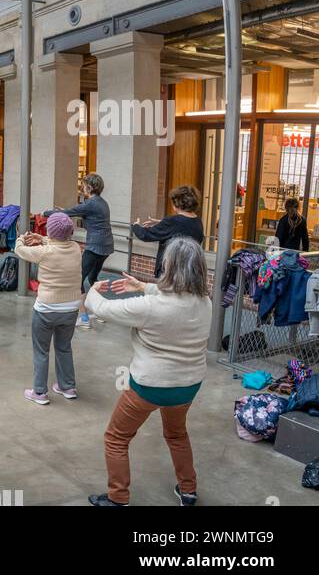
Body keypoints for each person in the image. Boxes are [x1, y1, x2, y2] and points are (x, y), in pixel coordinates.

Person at [85, 237, 211, 507]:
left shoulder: (149, 308)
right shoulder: (205, 303)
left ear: (169, 267)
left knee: (116, 438)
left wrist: (93, 287)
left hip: (148, 386)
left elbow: (102, 309)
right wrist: (143, 286)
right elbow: (176, 298)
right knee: (177, 434)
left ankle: (117, 498)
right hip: (188, 385)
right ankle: (188, 490)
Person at [14, 213, 83, 405]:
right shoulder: (76, 249)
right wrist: (42, 238)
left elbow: (19, 250)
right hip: (71, 309)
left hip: (46, 309)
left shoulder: (44, 252)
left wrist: (22, 237)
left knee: (41, 351)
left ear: (50, 232)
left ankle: (40, 392)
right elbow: (60, 243)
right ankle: (67, 386)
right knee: (64, 347)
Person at [44, 172, 112, 328]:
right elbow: (79, 213)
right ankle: (101, 312)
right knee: (93, 278)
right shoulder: (102, 202)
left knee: (78, 279)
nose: (82, 188)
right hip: (107, 246)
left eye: (83, 185)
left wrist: (45, 213)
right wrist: (67, 211)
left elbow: (69, 212)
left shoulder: (91, 203)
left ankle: (84, 318)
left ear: (89, 187)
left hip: (95, 246)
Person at [131, 185, 205, 279]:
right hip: (189, 270)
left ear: (176, 203)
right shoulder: (197, 221)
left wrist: (136, 226)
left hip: (170, 271)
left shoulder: (172, 221)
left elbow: (145, 235)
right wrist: (162, 222)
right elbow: (182, 227)